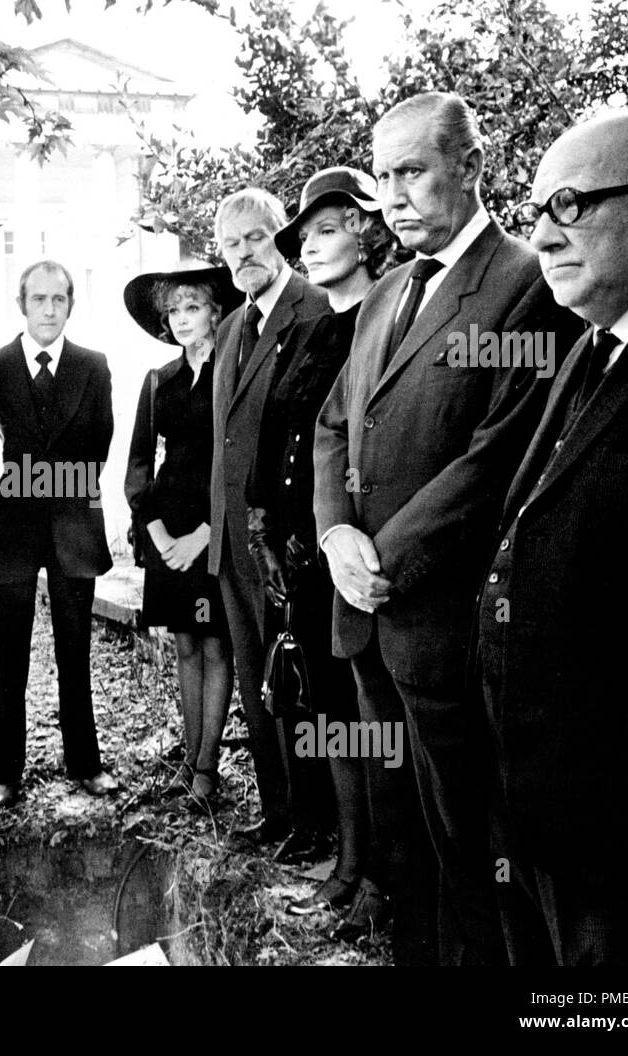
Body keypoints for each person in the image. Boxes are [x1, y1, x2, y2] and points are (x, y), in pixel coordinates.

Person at [313, 91, 581, 965]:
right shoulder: (387, 289)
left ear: (471, 168)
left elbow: (497, 459)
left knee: (473, 850)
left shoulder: (525, 283)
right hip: (367, 621)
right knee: (402, 844)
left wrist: (380, 557)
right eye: (383, 176)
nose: (392, 195)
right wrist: (333, 536)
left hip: (448, 628)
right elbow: (333, 422)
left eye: (413, 173)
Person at [478, 109, 628, 965]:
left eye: (567, 205)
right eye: (536, 209)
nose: (540, 235)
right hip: (544, 802)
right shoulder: (593, 345)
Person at [245, 167, 397, 926]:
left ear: (369, 232)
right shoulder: (308, 331)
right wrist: (271, 531)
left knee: (368, 714)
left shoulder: (392, 315)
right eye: (303, 235)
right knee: (329, 706)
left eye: (328, 228)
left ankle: (376, 879)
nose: (311, 245)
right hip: (303, 552)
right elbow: (284, 440)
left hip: (360, 550)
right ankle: (346, 865)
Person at [208, 187, 331, 861]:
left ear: (281, 238)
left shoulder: (314, 311)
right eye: (231, 245)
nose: (244, 255)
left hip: (282, 539)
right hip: (231, 541)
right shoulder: (232, 327)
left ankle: (316, 822)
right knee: (257, 684)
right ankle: (277, 811)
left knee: (299, 682)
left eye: (256, 238)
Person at [0, 260, 119, 809]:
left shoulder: (92, 365)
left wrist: (35, 481)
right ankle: (4, 773)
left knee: (74, 652)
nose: (49, 310)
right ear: (22, 304)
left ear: (70, 306)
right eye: (39, 299)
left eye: (59, 299)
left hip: (73, 530)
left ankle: (85, 764)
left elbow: (97, 449)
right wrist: (28, 484)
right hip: (12, 530)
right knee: (8, 656)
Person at [123, 263, 242, 805]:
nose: (181, 319)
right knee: (185, 645)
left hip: (213, 530)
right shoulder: (159, 381)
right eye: (173, 310)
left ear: (216, 311)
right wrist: (156, 533)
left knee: (217, 646)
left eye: (191, 307)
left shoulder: (234, 372)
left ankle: (207, 771)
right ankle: (191, 759)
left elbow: (241, 461)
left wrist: (207, 535)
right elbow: (140, 465)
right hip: (167, 533)